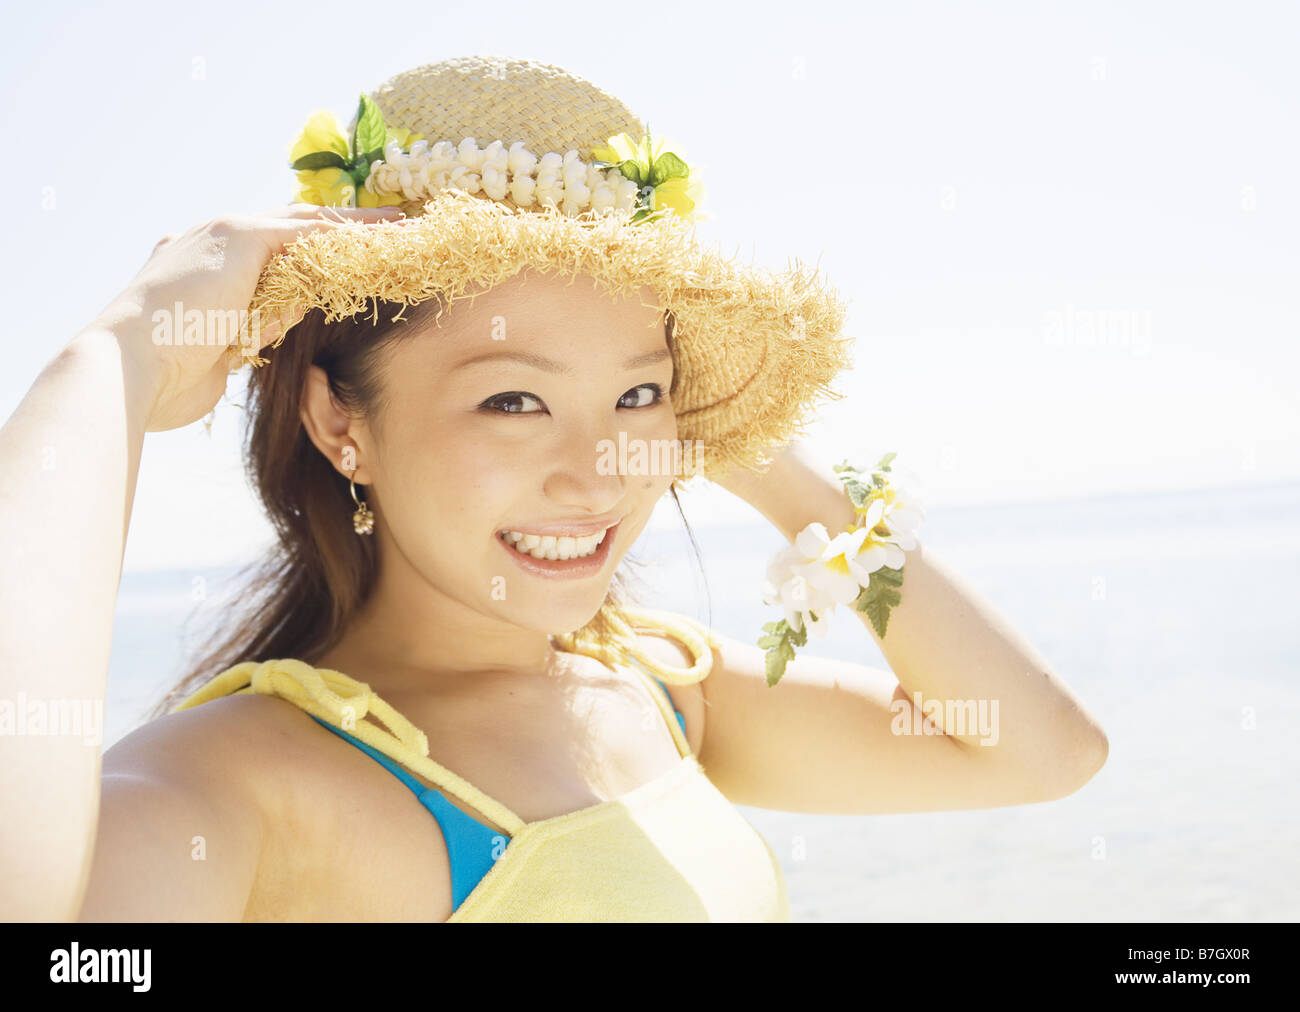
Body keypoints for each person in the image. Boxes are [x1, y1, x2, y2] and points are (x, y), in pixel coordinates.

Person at [0, 55, 1107, 923]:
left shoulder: (658, 690)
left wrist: (743, 442)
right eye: (513, 402)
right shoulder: (239, 786)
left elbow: (1041, 750)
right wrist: (118, 354)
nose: (599, 473)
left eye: (638, 395)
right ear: (343, 422)